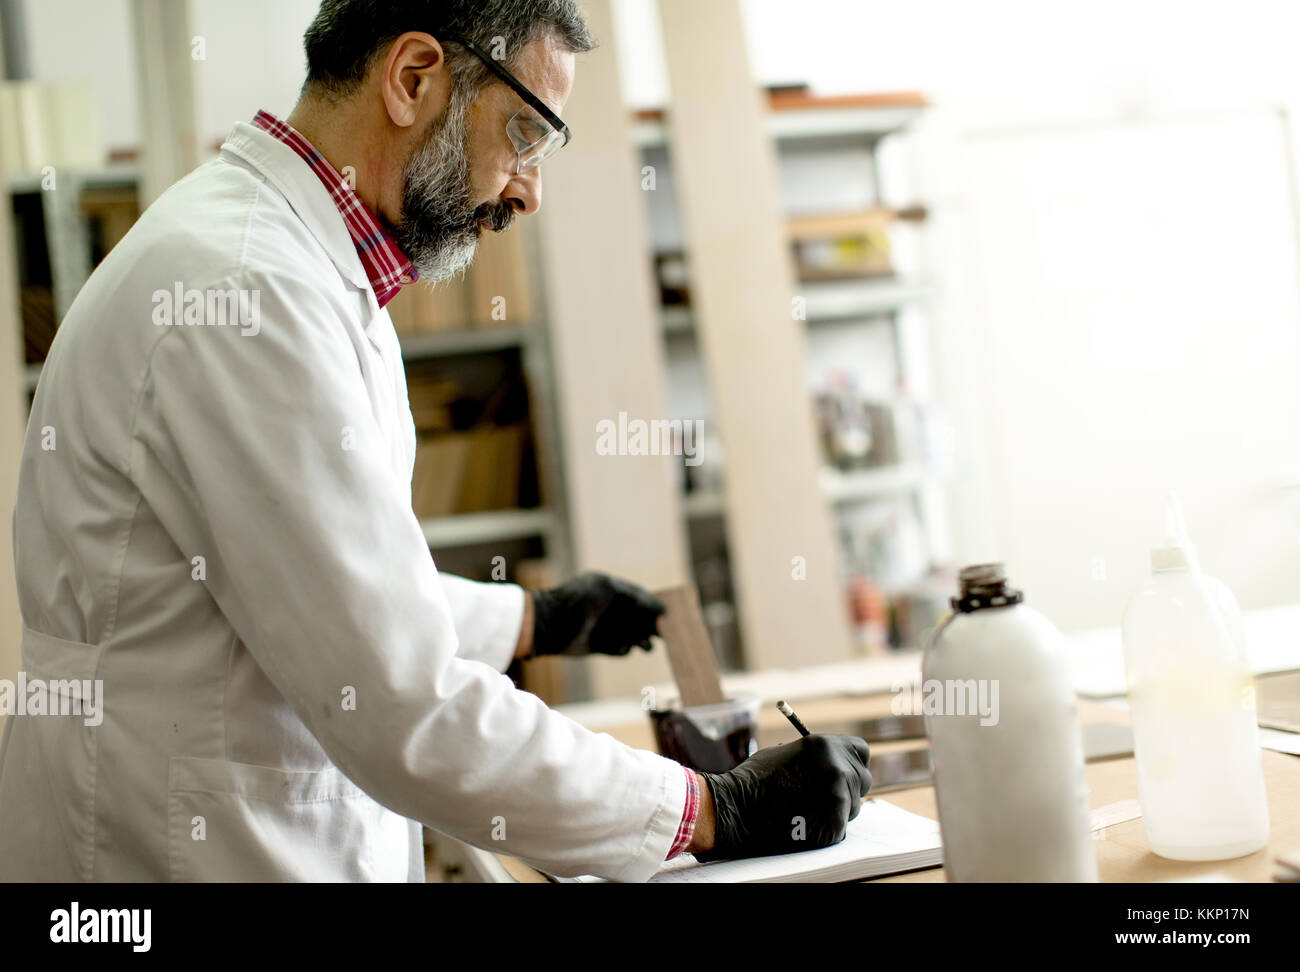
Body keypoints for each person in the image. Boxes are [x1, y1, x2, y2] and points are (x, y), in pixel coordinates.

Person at [0, 0, 871, 882]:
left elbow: (323, 586)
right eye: (524, 133)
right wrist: (709, 810)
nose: (529, 189)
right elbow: (398, 698)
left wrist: (532, 617)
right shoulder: (245, 292)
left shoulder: (296, 267)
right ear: (414, 78)